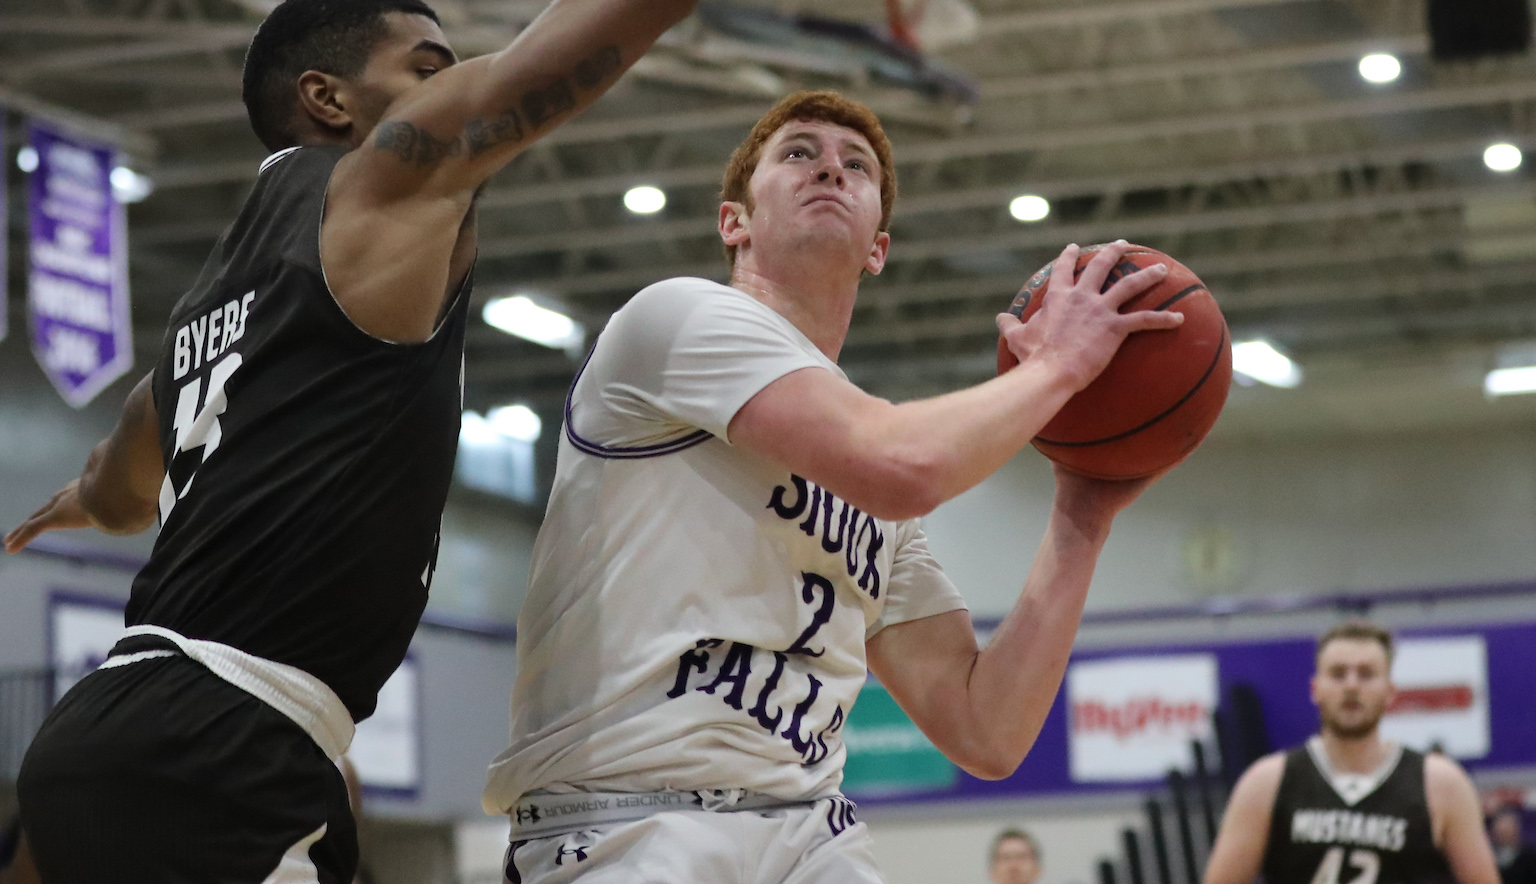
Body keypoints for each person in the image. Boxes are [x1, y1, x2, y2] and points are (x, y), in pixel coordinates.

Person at [1, 0, 697, 880]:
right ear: (329, 99)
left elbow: (115, 480)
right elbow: (539, 69)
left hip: (107, 729)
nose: (448, 83)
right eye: (426, 67)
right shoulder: (377, 189)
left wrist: (84, 505)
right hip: (226, 737)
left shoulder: (199, 318)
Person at [481, 89, 1185, 883]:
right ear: (733, 223)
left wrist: (1082, 512)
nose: (830, 167)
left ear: (877, 249)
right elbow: (902, 465)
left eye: (856, 166)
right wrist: (1061, 367)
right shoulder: (675, 320)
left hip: (808, 830)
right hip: (628, 816)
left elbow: (986, 728)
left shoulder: (870, 485)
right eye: (798, 153)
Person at [1203, 620, 1500, 884]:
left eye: (1367, 674)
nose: (1352, 686)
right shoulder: (1267, 781)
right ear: (1315, 688)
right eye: (1338, 673)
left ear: (1390, 692)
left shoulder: (1441, 784)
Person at [1491, 806, 1536, 884]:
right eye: (1501, 831)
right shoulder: (1488, 854)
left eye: (1507, 830)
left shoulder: (1529, 855)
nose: (1504, 834)